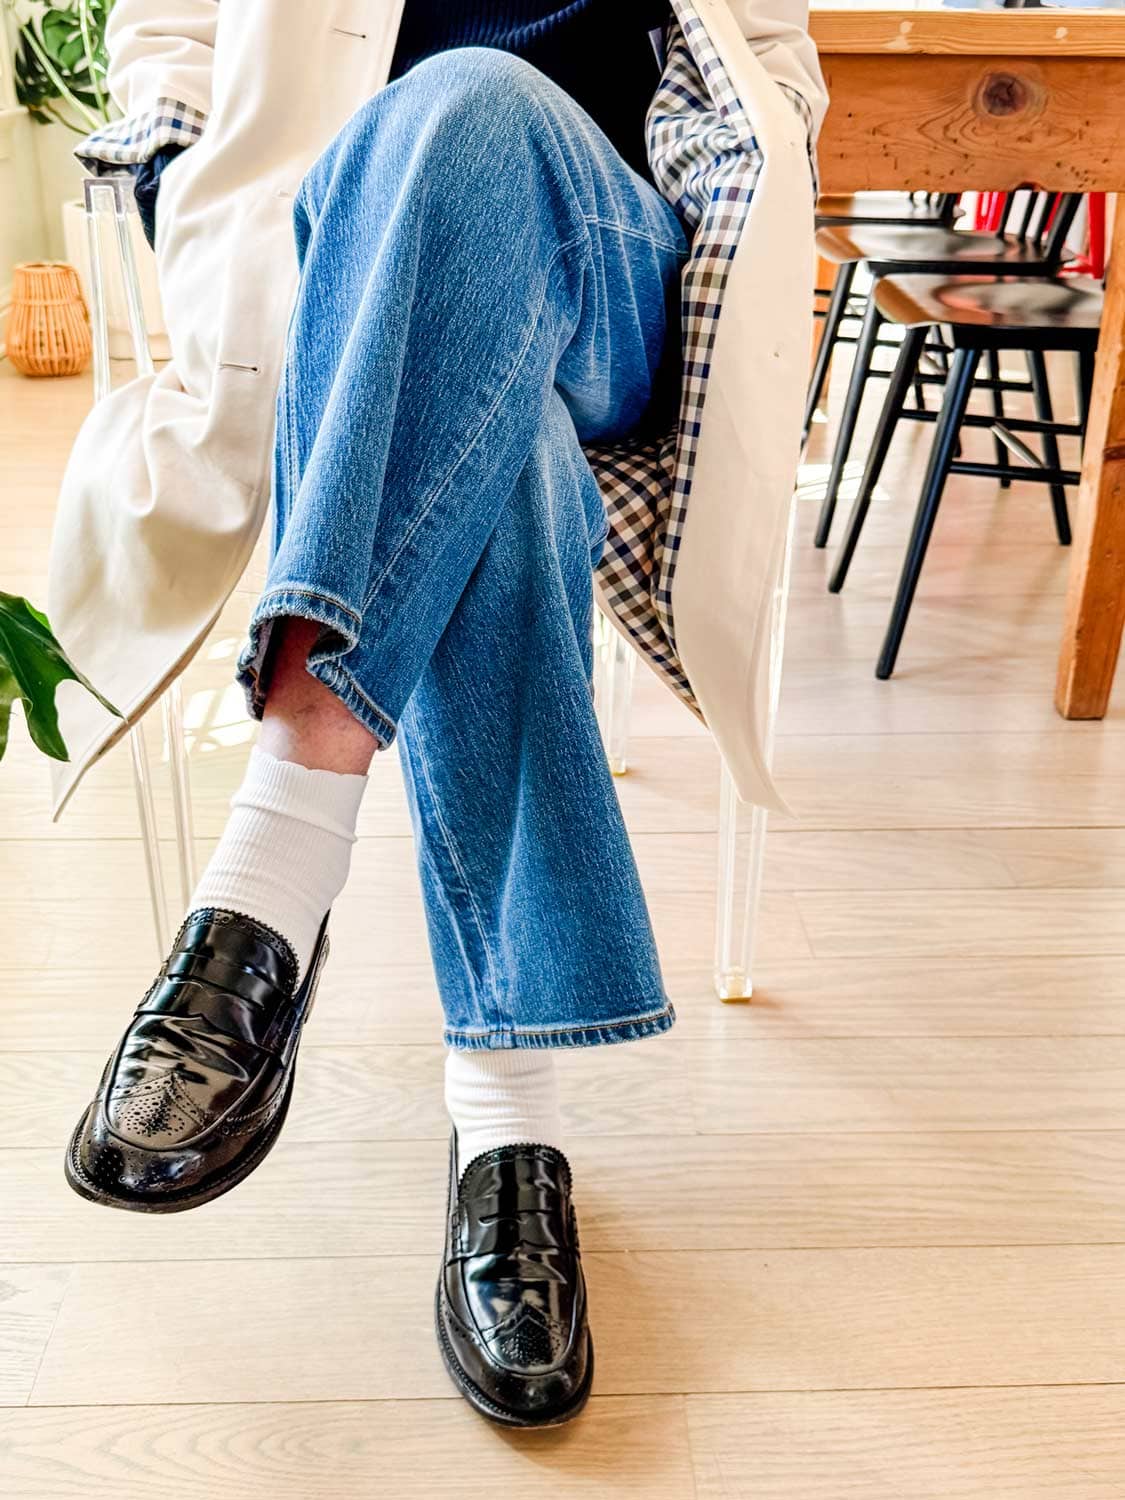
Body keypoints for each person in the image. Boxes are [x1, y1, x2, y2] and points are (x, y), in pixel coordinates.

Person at [51, 0, 826, 1428]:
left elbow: (765, 51)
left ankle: (269, 879)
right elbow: (167, 30)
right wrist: (187, 177)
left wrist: (742, 184)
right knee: (505, 444)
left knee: (473, 101)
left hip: (606, 247)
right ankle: (506, 1133)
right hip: (338, 246)